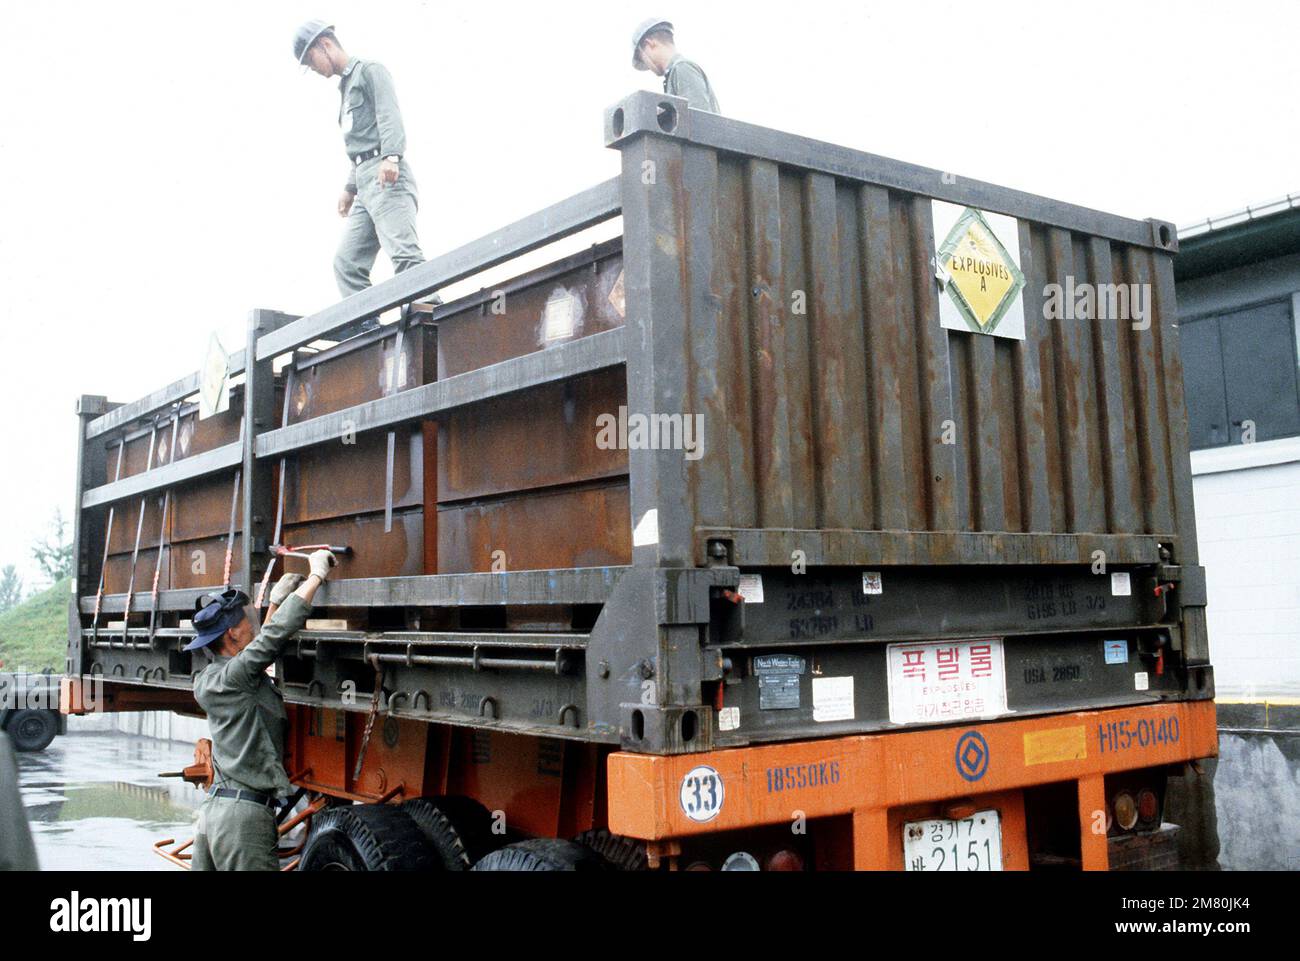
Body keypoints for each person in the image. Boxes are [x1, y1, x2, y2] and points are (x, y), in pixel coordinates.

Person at [187, 550, 335, 871]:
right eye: (245, 620)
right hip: (243, 819)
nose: (251, 623)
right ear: (231, 633)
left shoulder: (208, 680)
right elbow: (271, 639)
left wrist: (276, 603)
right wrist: (316, 576)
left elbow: (255, 651)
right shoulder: (238, 675)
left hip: (212, 815)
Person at [293, 21, 427, 338]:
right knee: (347, 262)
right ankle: (367, 325)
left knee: (403, 253)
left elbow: (389, 115)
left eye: (311, 61)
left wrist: (392, 156)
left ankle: (432, 315)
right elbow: (359, 145)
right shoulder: (344, 88)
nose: (314, 70)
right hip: (365, 182)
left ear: (325, 45)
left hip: (386, 175)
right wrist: (349, 188)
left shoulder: (370, 70)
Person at [631, 18, 720, 114]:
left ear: (649, 44)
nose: (648, 66)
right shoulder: (675, 73)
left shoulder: (682, 68)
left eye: (642, 58)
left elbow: (699, 120)